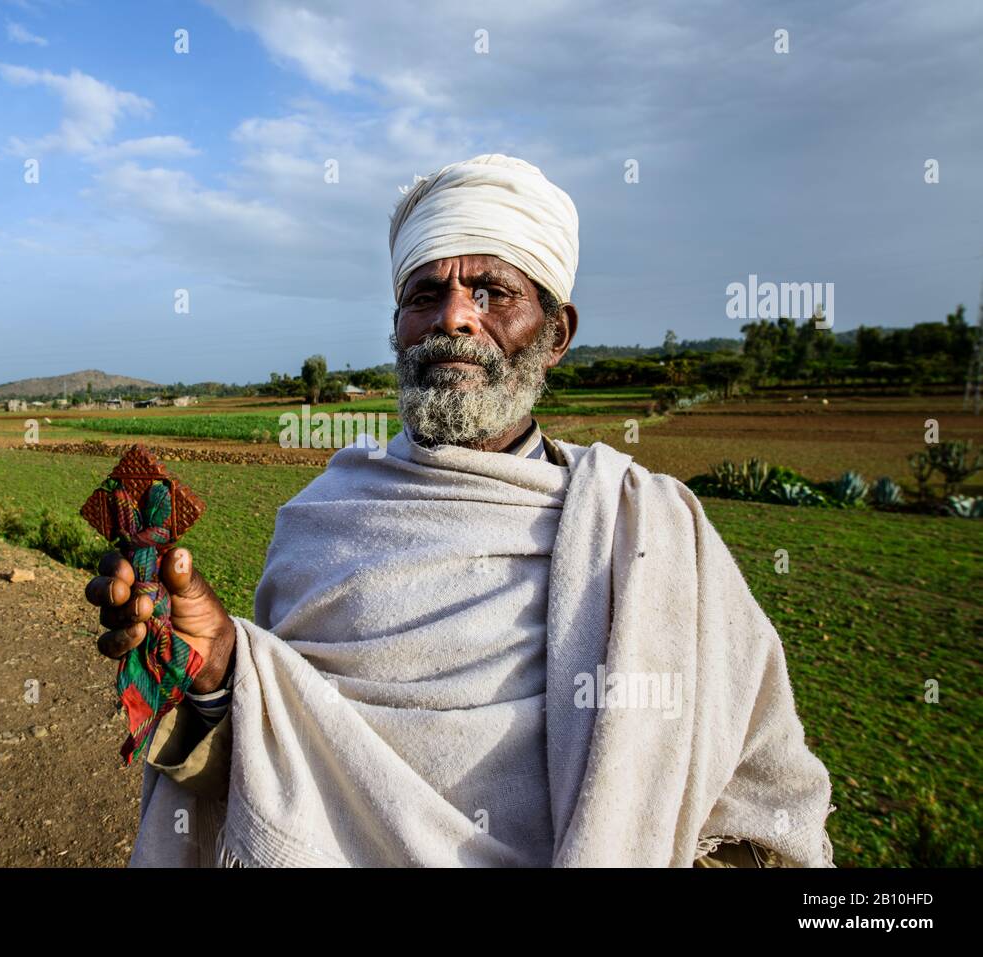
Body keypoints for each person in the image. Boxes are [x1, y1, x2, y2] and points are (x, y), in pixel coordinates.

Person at [85, 154, 834, 868]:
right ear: (396, 328)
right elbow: (274, 766)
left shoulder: (648, 532)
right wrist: (217, 670)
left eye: (491, 292)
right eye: (424, 295)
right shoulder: (318, 524)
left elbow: (761, 791)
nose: (454, 318)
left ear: (556, 334)